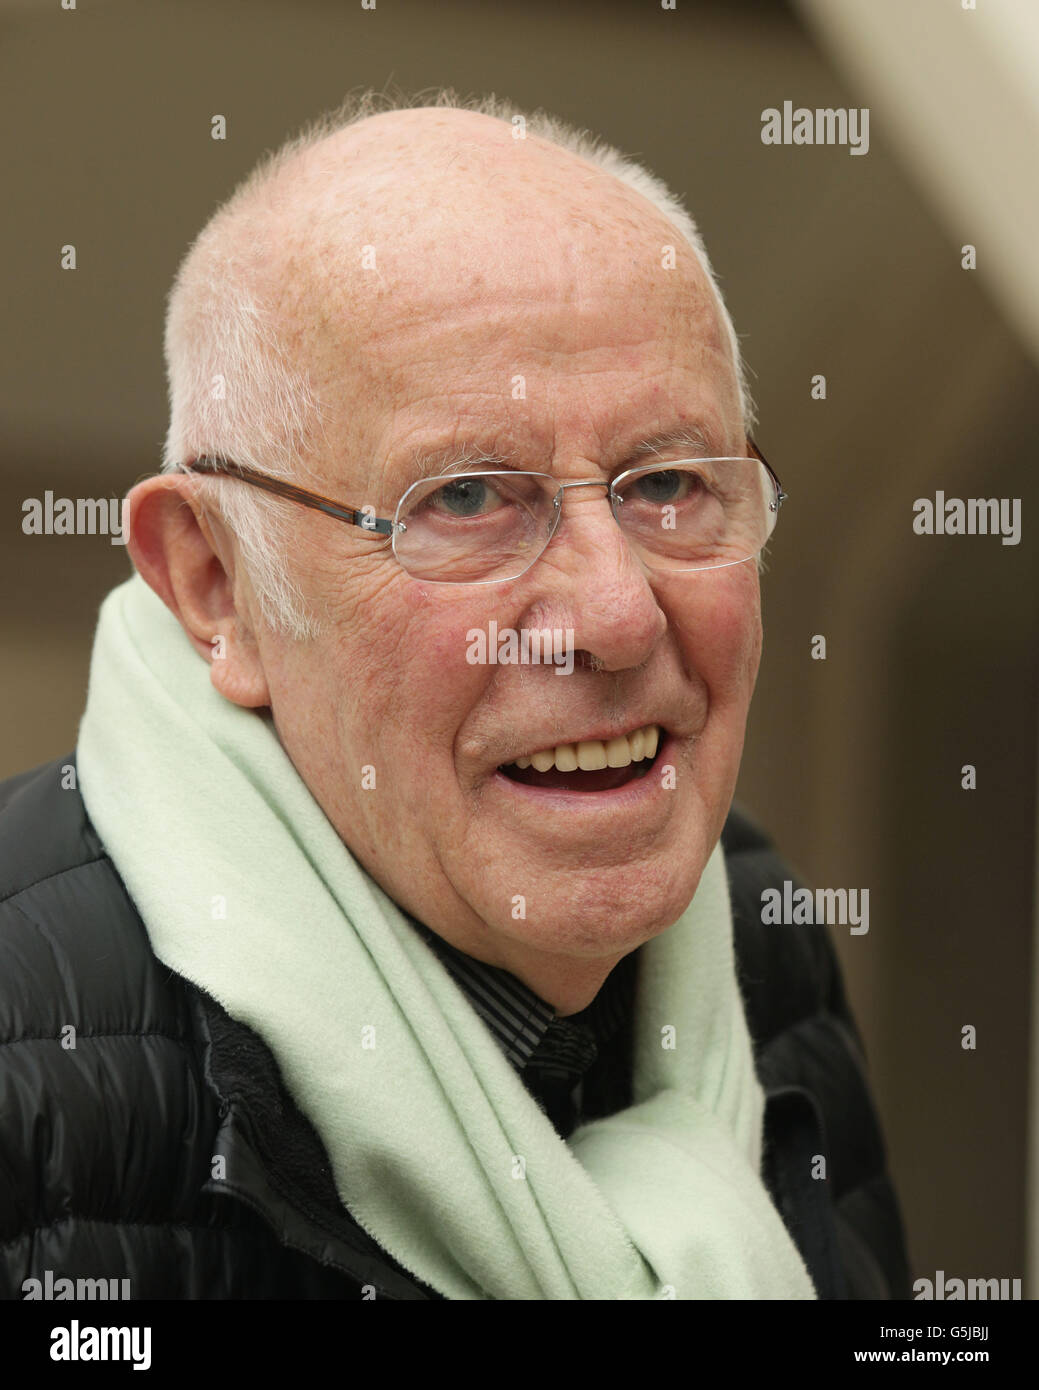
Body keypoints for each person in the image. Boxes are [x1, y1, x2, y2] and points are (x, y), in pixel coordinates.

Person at [0, 90, 910, 1300]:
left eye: (670, 482)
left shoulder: (754, 931)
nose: (618, 614)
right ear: (216, 583)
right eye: (469, 500)